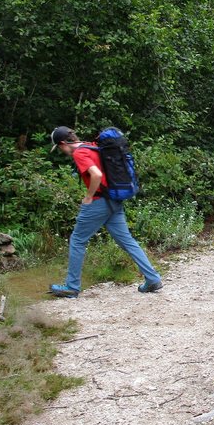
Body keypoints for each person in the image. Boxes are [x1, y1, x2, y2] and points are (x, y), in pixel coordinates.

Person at [48, 126, 163, 298]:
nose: (61, 151)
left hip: (98, 202)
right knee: (127, 241)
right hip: (114, 200)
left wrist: (88, 196)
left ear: (63, 143)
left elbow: (96, 175)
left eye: (59, 148)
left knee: (77, 240)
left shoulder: (80, 153)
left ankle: (71, 287)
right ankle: (152, 278)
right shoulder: (92, 146)